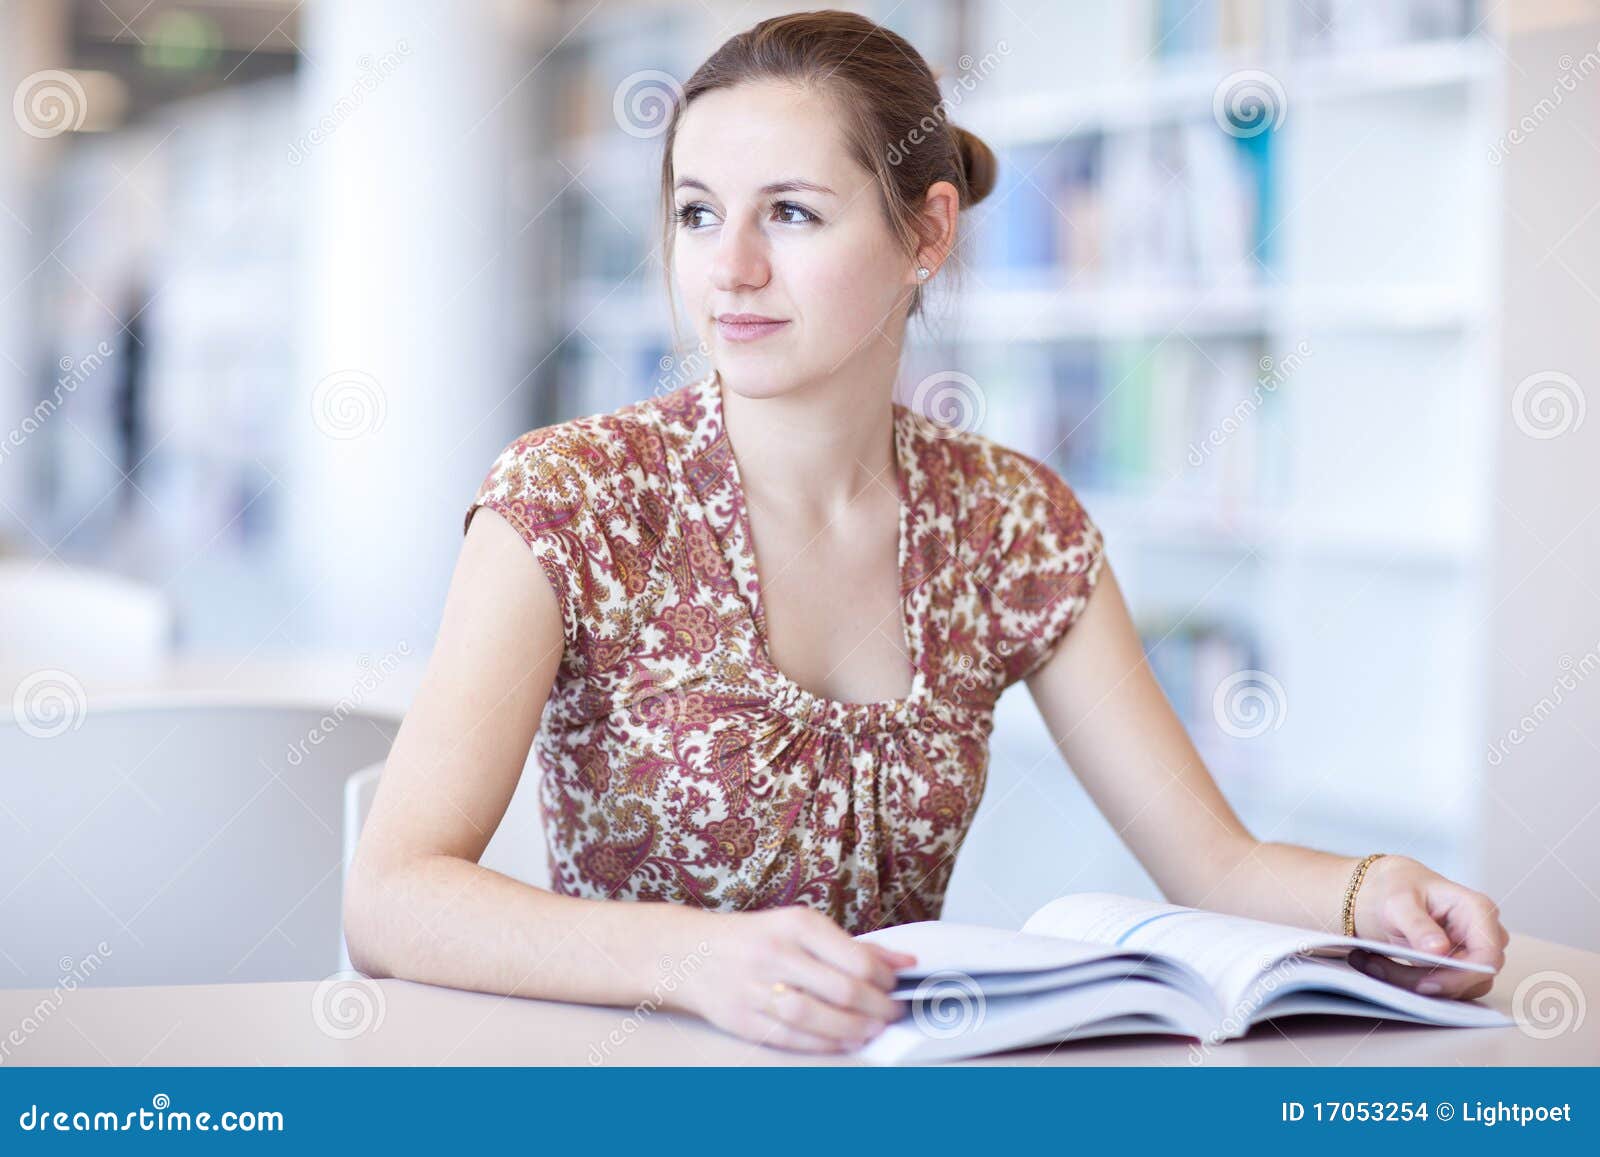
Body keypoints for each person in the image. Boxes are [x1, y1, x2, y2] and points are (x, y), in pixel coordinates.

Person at [344, 9, 1508, 1055]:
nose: (731, 269)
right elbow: (392, 895)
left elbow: (1213, 862)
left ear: (927, 233)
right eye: (698, 213)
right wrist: (696, 961)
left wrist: (1374, 895)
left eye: (791, 212)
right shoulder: (574, 495)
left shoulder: (1011, 522)